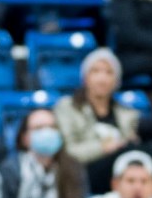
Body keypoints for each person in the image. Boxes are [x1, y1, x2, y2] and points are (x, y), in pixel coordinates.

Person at [55, 48, 139, 190]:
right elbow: (67, 151)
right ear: (85, 77)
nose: (102, 78)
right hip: (85, 170)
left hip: (122, 169)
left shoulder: (127, 113)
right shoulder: (67, 107)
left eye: (109, 72)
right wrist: (103, 148)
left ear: (117, 80)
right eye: (95, 71)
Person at [0, 106, 76, 198]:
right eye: (39, 128)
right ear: (25, 137)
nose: (47, 132)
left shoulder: (73, 167)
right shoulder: (10, 169)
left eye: (52, 127)